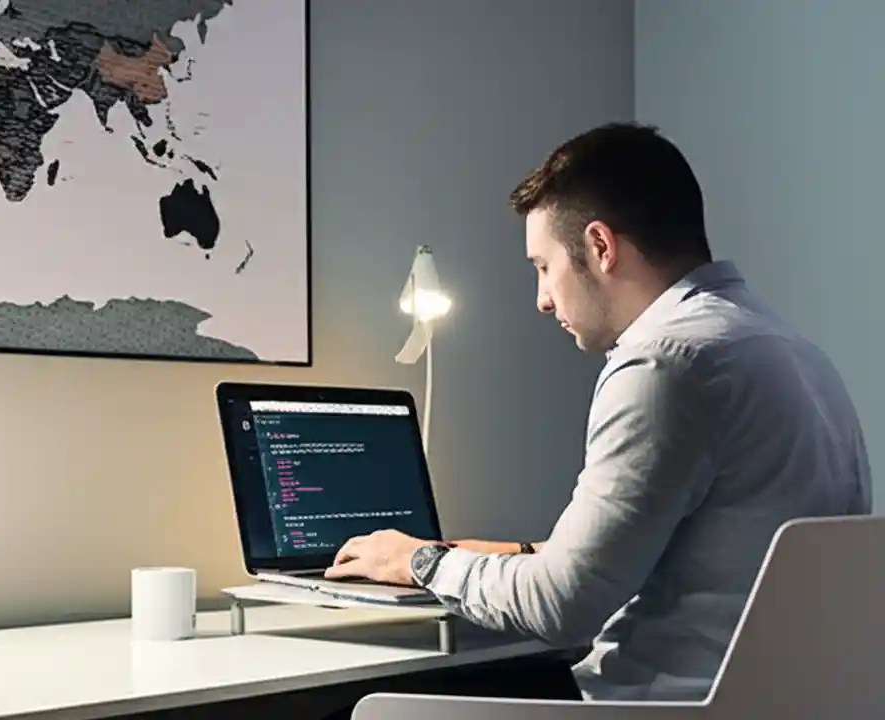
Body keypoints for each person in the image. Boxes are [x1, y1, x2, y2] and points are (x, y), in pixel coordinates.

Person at [324, 122, 873, 702]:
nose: (541, 298)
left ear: (601, 247)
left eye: (542, 266)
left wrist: (422, 563)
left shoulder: (664, 363)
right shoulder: (791, 353)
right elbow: (665, 548)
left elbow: (561, 607)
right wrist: (473, 552)